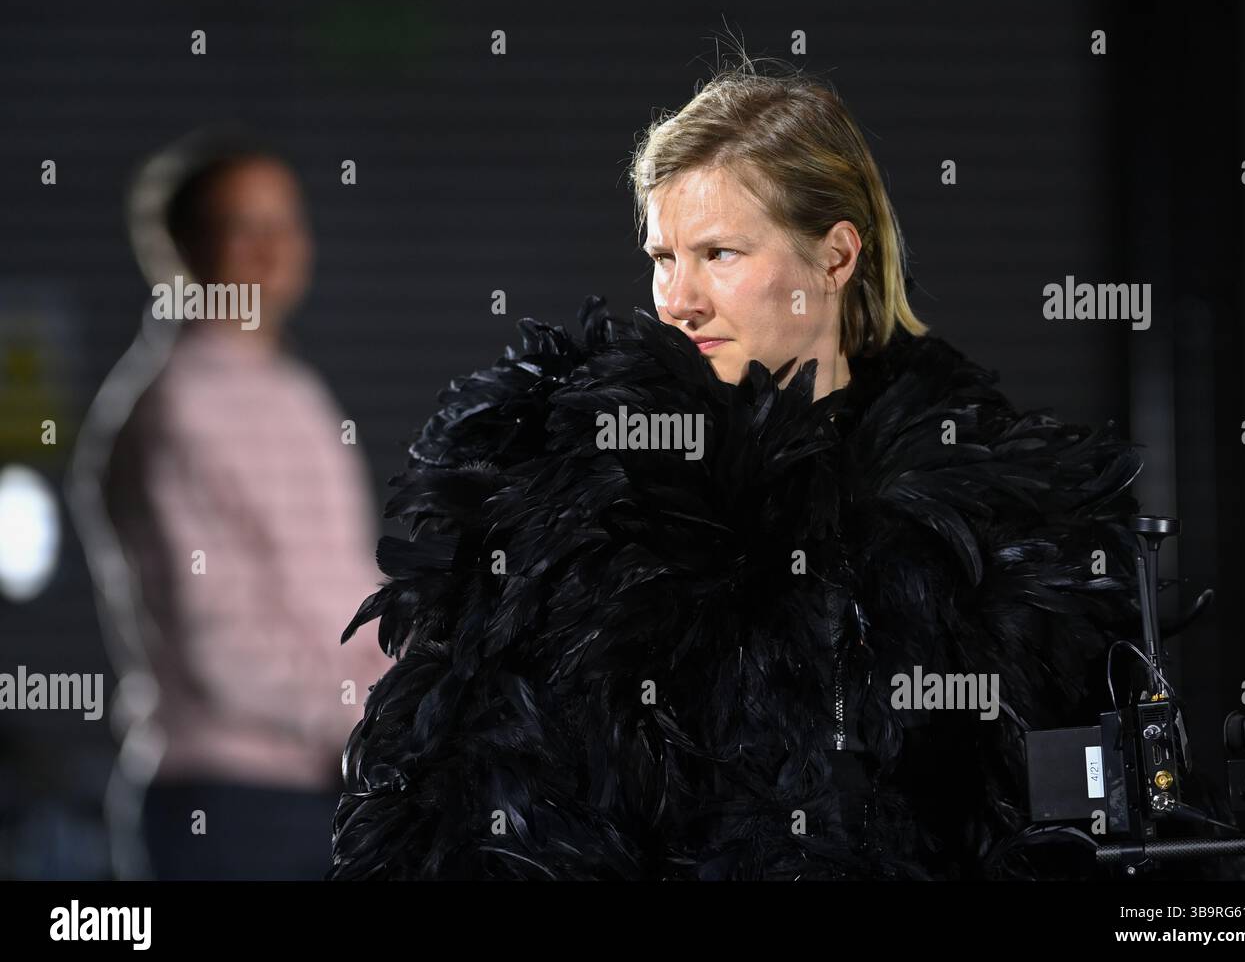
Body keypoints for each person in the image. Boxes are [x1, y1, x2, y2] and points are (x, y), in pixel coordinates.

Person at [327, 60, 1144, 880]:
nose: (678, 298)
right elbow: (462, 802)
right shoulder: (570, 496)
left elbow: (1072, 827)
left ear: (835, 257)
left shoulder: (991, 515)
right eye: (662, 257)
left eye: (718, 253)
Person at [67, 132, 393, 879]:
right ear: (179, 246)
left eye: (283, 223)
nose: (270, 247)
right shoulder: (177, 411)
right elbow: (222, 646)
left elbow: (345, 599)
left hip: (318, 791)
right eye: (243, 227)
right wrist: (375, 721)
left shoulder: (295, 392)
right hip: (229, 805)